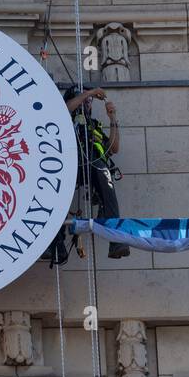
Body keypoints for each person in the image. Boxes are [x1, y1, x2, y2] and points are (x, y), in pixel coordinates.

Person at [63, 84, 129, 259]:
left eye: (89, 102)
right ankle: (56, 244)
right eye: (84, 100)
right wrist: (90, 92)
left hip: (94, 165)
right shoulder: (62, 119)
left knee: (104, 173)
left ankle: (116, 241)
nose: (87, 104)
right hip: (68, 165)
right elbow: (65, 109)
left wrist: (112, 118)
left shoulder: (94, 126)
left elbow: (114, 148)